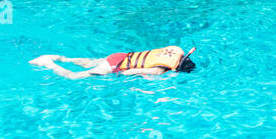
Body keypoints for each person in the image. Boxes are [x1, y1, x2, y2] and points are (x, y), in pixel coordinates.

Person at [30, 46, 196, 79]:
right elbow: (128, 72)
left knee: (88, 63)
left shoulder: (177, 49)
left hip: (120, 55)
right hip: (116, 66)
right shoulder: (160, 70)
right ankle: (48, 63)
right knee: (73, 76)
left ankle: (59, 58)